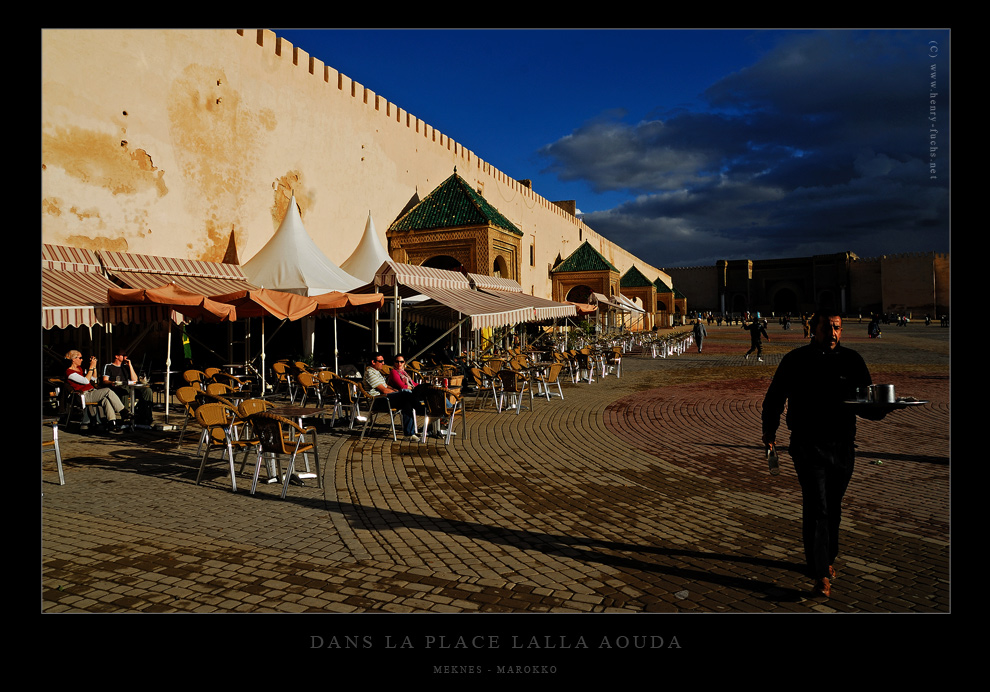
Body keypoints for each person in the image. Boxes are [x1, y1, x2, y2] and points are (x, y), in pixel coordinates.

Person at [761, 311, 886, 598]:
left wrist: (885, 408)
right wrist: (769, 431)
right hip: (807, 445)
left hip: (842, 444)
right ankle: (820, 573)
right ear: (813, 329)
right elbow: (775, 396)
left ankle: (827, 558)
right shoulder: (796, 360)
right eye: (827, 328)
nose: (833, 334)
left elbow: (866, 401)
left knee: (833, 506)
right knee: (817, 507)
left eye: (838, 328)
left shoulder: (852, 360)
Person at [64, 349, 126, 433]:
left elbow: (94, 379)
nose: (82, 360)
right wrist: (90, 367)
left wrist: (94, 367)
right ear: (73, 359)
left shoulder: (80, 369)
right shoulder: (70, 372)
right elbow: (85, 381)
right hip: (84, 395)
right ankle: (123, 411)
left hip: (91, 392)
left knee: (106, 400)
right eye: (80, 358)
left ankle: (112, 423)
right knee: (107, 391)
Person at [364, 352, 419, 440]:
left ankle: (409, 434)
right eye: (380, 361)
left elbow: (386, 386)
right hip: (377, 401)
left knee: (407, 402)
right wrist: (398, 392)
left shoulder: (377, 372)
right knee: (407, 394)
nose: (383, 363)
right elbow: (384, 390)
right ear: (373, 362)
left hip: (384, 398)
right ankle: (423, 409)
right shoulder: (370, 373)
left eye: (383, 361)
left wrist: (396, 391)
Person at [102, 351, 154, 426]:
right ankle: (126, 416)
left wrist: (130, 366)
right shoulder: (108, 366)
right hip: (116, 388)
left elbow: (135, 380)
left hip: (129, 387)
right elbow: (105, 380)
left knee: (147, 390)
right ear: (116, 356)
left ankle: (146, 416)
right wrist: (112, 382)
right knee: (124, 390)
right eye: (123, 355)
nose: (126, 357)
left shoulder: (125, 367)